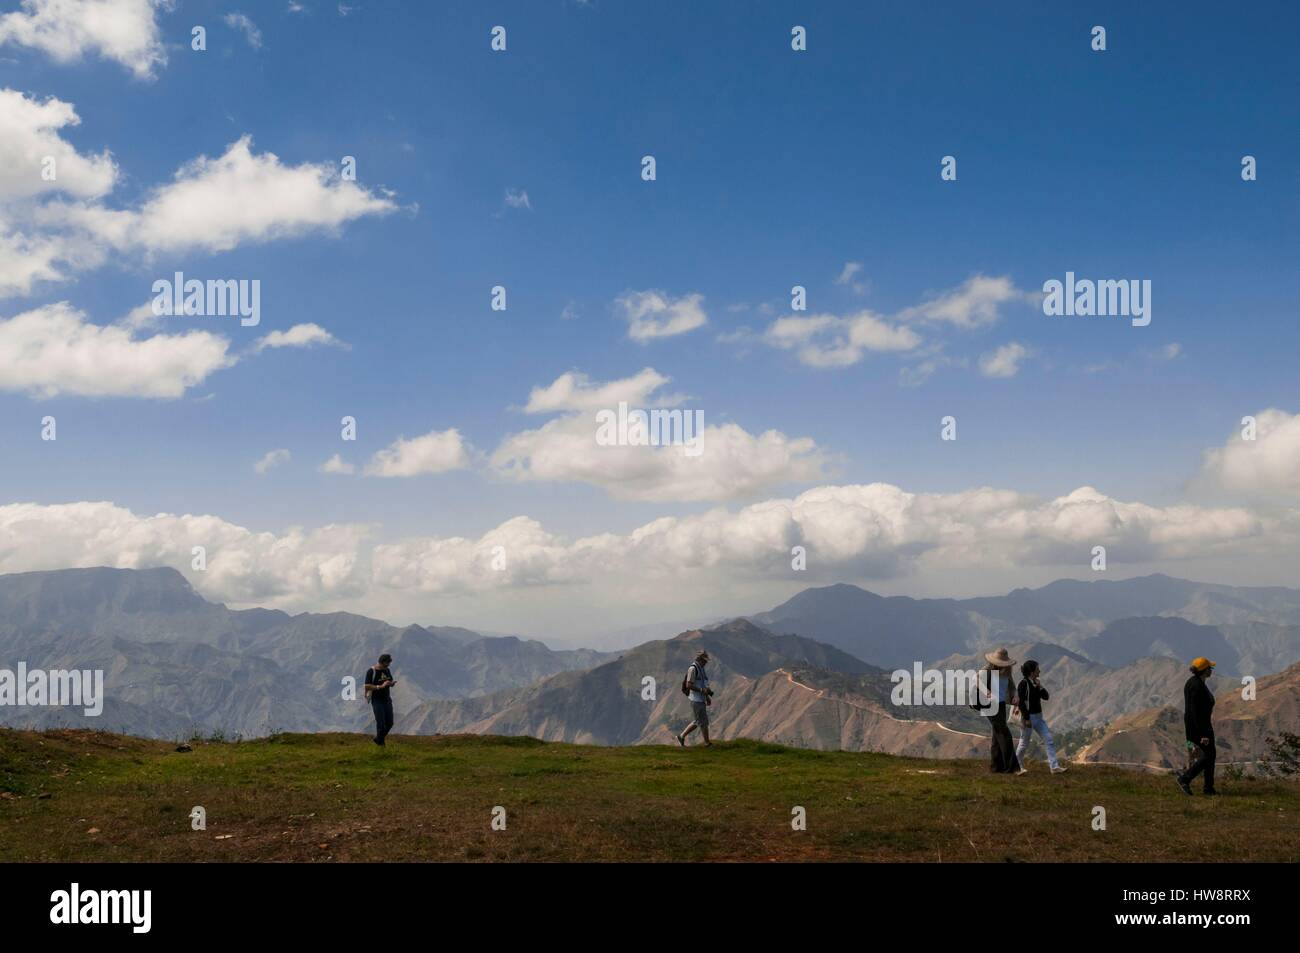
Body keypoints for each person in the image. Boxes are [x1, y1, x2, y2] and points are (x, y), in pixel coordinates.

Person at [1015, 659, 1066, 774]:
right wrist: (1026, 718)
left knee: (1049, 740)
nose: (1039, 671)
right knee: (1024, 743)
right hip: (1029, 718)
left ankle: (1054, 767)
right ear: (1032, 672)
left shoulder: (1035, 683)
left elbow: (1046, 697)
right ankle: (1017, 766)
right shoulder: (1023, 684)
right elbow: (1021, 703)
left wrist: (1040, 686)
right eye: (1037, 669)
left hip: (1038, 717)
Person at [1175, 657, 1217, 796]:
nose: (1212, 670)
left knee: (1210, 756)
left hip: (1199, 727)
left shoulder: (1194, 682)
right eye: (1210, 668)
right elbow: (1194, 711)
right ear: (1204, 670)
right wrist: (1203, 733)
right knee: (1207, 756)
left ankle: (1209, 788)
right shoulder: (1197, 686)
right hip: (1199, 729)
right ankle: (1185, 779)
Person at [983, 648, 1021, 774]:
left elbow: (1012, 687)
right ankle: (1012, 767)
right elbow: (975, 681)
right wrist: (986, 692)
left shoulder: (1007, 674)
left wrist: (1015, 696)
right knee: (1005, 734)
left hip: (1001, 706)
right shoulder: (986, 671)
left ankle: (996, 767)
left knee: (997, 735)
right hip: (989, 706)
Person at [675, 650, 714, 747]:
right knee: (702, 722)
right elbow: (689, 685)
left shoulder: (701, 668)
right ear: (700, 659)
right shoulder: (693, 669)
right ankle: (707, 743)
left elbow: (703, 684)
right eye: (705, 660)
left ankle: (682, 736)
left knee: (700, 721)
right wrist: (702, 691)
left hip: (700, 699)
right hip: (696, 699)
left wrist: (707, 696)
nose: (706, 663)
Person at [365, 653, 396, 746]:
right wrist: (380, 686)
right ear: (382, 662)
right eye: (387, 663)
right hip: (377, 700)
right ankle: (381, 743)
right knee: (381, 723)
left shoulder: (387, 670)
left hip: (387, 699)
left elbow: (389, 680)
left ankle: (378, 739)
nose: (389, 665)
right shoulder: (371, 671)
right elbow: (367, 685)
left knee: (390, 723)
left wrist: (391, 683)